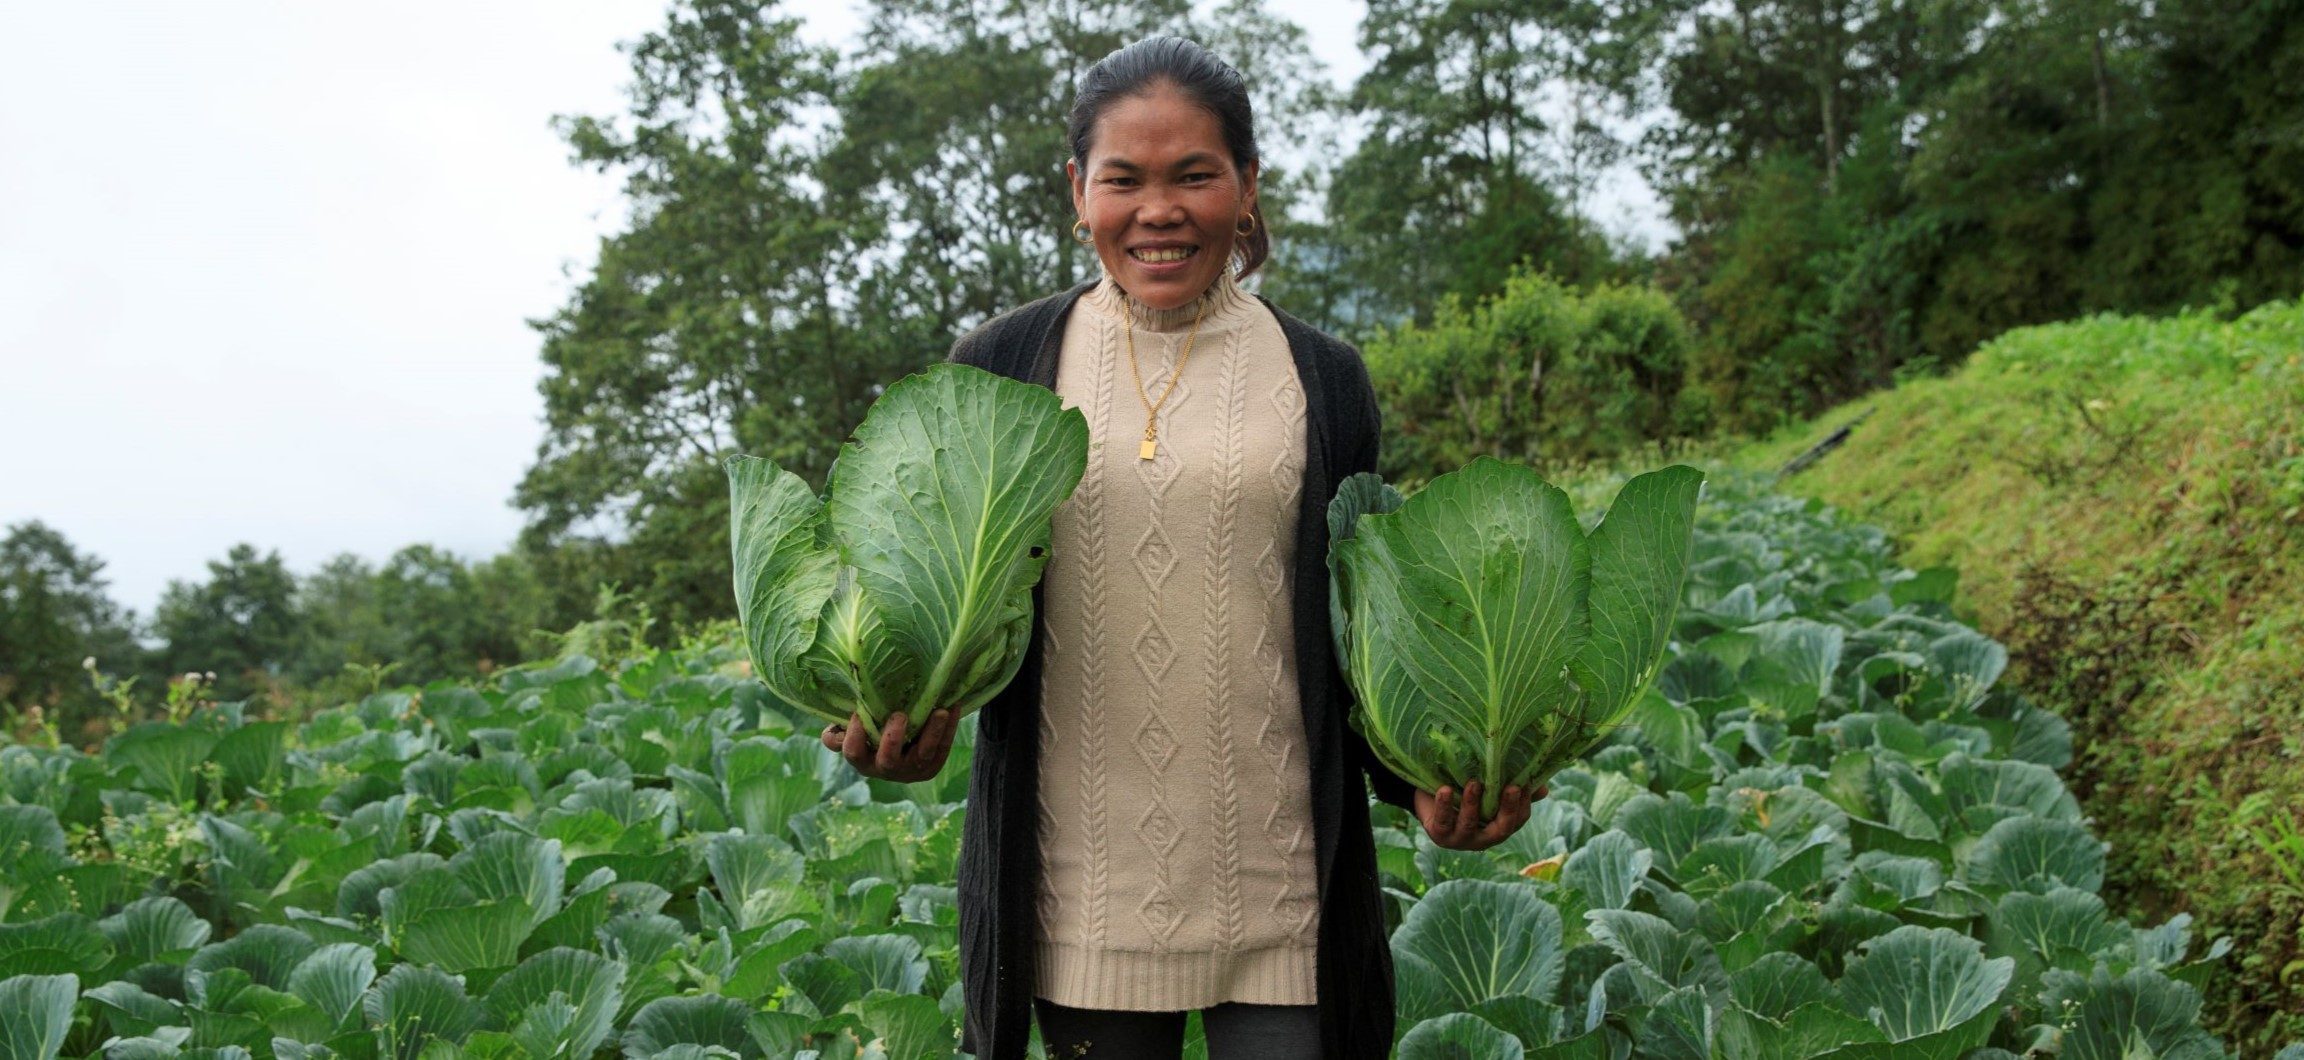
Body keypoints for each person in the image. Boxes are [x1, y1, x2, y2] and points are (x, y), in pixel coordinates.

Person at [818, 36, 1538, 1060]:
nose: (1159, 210)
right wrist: (902, 715)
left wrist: (1424, 781)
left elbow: (1369, 628)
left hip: (1285, 884)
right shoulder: (1000, 365)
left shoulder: (1324, 378)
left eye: (1195, 175)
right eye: (1124, 180)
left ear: (1247, 186)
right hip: (1080, 895)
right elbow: (937, 592)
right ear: (1078, 190)